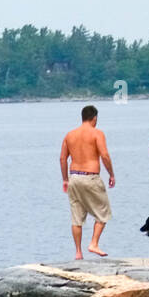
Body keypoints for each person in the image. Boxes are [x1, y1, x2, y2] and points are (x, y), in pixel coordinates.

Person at [59, 105, 115, 259]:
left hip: (74, 177)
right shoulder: (97, 133)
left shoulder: (70, 135)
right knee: (103, 212)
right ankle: (94, 243)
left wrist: (65, 179)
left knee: (77, 217)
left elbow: (63, 158)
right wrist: (111, 174)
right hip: (90, 177)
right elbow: (104, 155)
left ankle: (78, 252)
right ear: (94, 118)